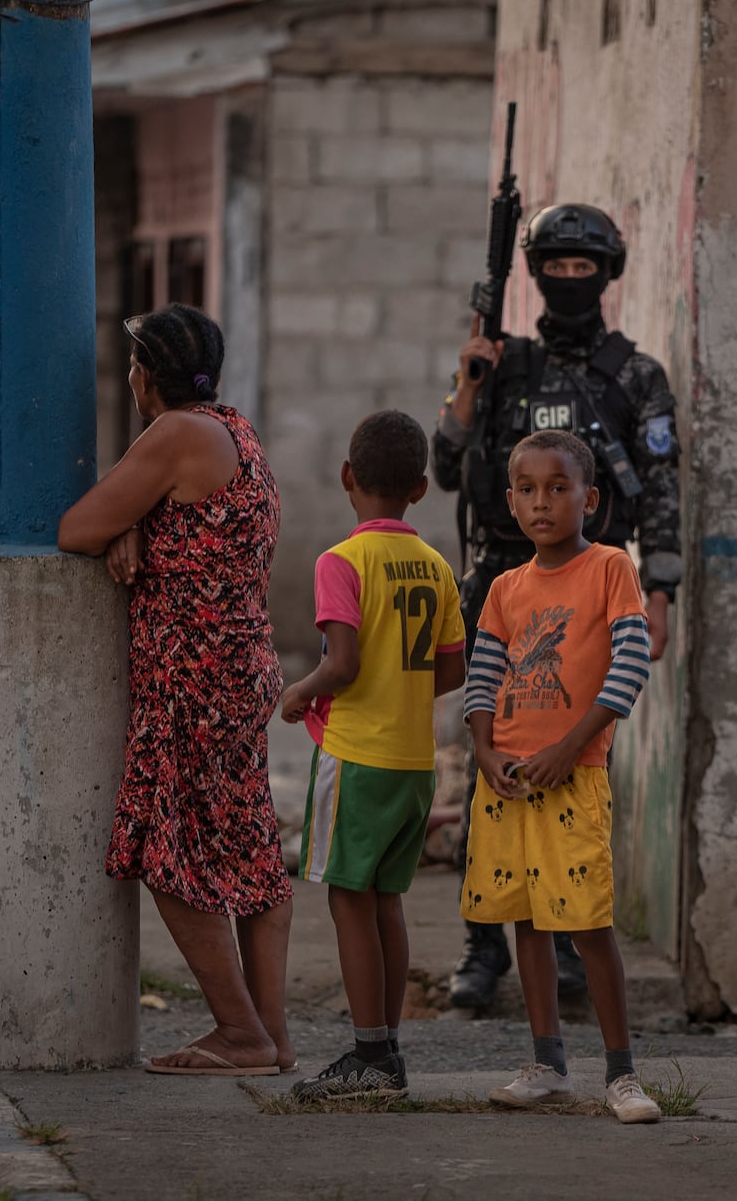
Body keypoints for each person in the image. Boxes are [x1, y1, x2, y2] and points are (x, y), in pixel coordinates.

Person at [431, 202, 683, 1009]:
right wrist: (468, 383)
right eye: (555, 267)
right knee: (490, 766)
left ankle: (573, 942)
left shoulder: (636, 376)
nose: (568, 281)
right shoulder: (501, 364)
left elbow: (665, 489)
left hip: (588, 592)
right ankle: (484, 950)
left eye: (584, 269)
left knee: (578, 768)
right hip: (501, 588)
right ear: (533, 273)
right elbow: (444, 465)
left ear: (606, 276)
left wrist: (661, 589)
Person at [58, 304, 296, 1076]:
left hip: (190, 679)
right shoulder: (234, 429)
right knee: (252, 850)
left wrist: (124, 523)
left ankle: (239, 1033)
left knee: (170, 851)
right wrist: (139, 523)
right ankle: (274, 1039)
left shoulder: (173, 435)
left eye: (132, 365)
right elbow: (146, 513)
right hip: (240, 670)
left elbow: (75, 528)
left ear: (144, 376)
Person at [461, 428, 661, 1124]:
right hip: (508, 780)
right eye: (527, 489)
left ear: (590, 499)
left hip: (573, 779)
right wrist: (485, 753)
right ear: (510, 502)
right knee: (526, 918)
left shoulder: (610, 568)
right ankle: (546, 1065)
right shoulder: (505, 588)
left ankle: (622, 1075)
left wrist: (572, 748)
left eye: (557, 488)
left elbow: (629, 666)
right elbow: (482, 678)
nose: (541, 502)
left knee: (589, 922)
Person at [279, 410, 466, 1101]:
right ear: (420, 489)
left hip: (356, 756)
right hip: (414, 762)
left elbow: (344, 663)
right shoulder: (438, 566)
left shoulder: (342, 561)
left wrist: (300, 691)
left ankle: (367, 1055)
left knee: (347, 900)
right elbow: (452, 671)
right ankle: (386, 1052)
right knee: (387, 901)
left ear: (346, 477)